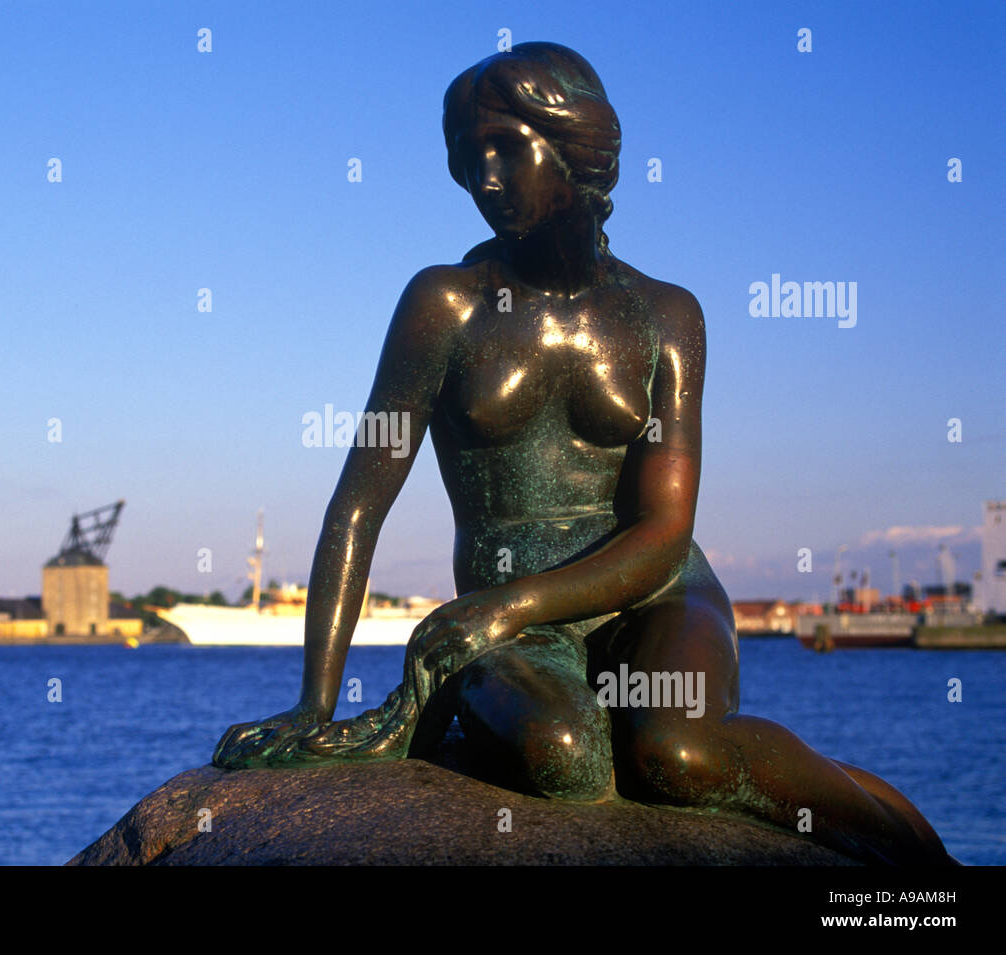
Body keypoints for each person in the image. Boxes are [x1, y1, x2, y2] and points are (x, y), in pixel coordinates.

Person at [213, 42, 952, 864]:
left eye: (503, 150)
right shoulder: (444, 306)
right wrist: (315, 704)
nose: (482, 180)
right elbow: (357, 505)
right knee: (563, 759)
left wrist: (508, 607)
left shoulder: (667, 316)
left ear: (576, 147)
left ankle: (910, 848)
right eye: (466, 160)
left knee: (679, 756)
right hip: (511, 621)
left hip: (656, 590)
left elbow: (666, 529)